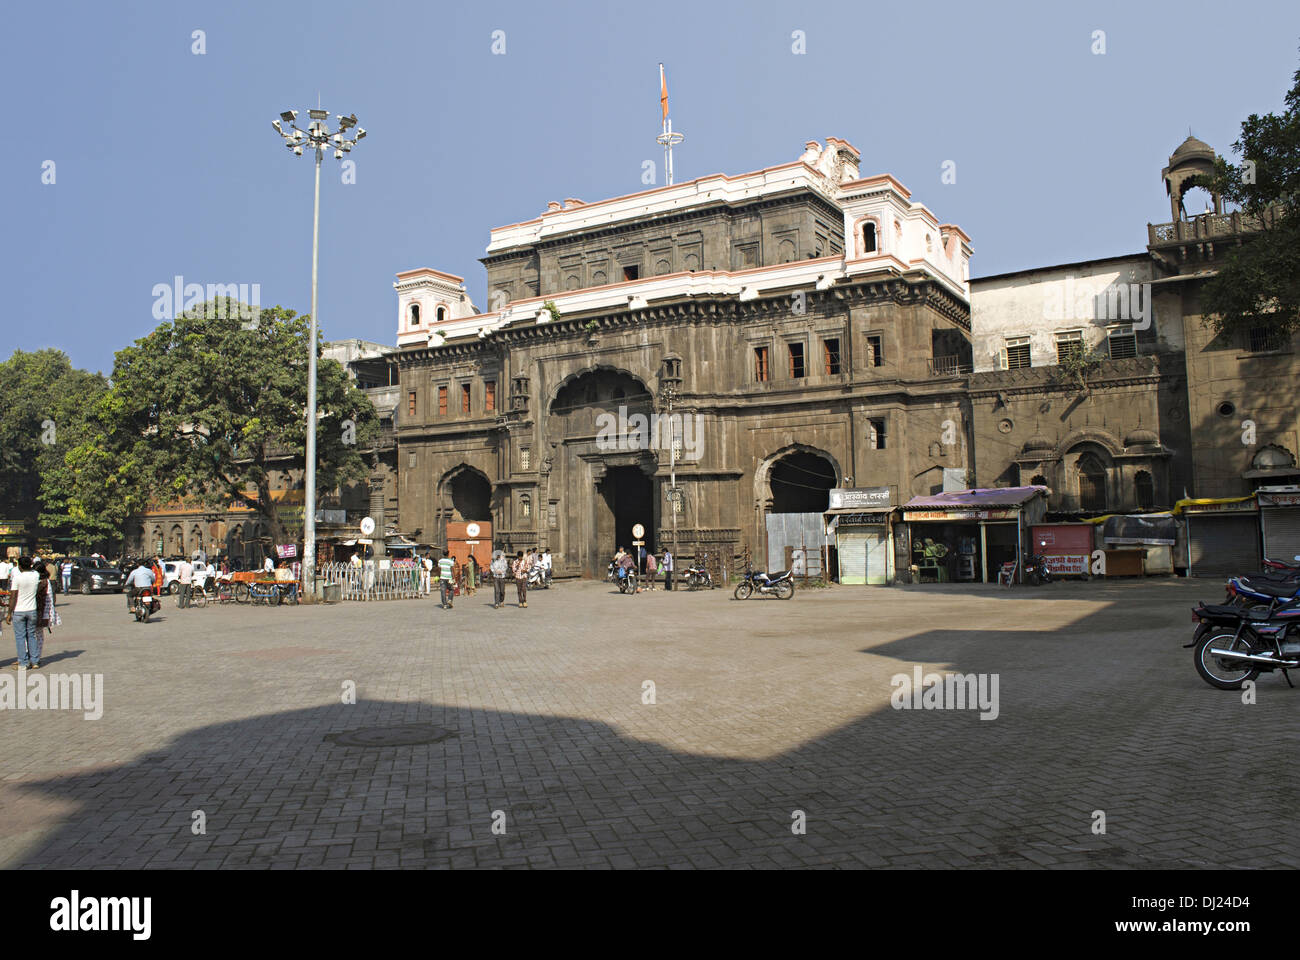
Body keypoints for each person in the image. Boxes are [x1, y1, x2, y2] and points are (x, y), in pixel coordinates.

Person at [6, 557, 42, 670]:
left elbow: (13, 597)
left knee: (20, 637)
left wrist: (9, 613)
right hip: (32, 609)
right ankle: (35, 661)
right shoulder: (36, 575)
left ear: (20, 566)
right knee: (31, 635)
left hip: (19, 611)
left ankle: (23, 663)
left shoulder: (17, 577)